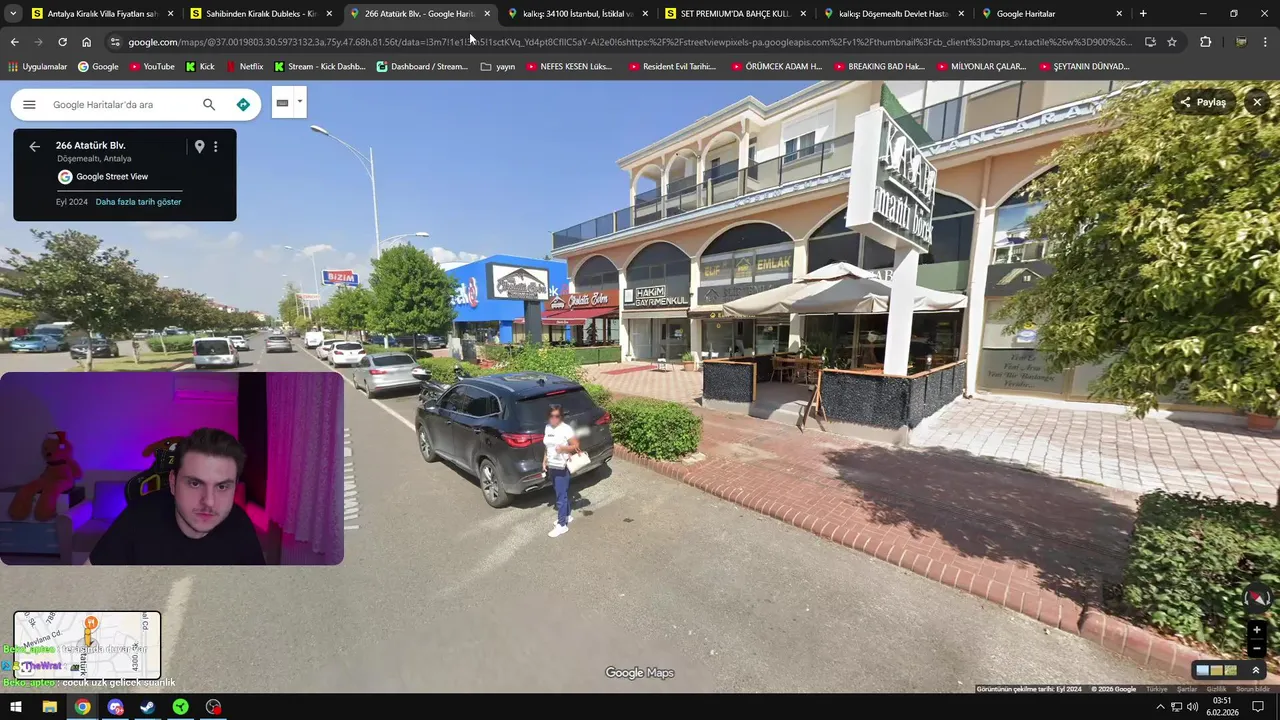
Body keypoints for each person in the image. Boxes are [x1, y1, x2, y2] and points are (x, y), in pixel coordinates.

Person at [89, 428, 266, 566]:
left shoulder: (239, 525)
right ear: (173, 483)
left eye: (222, 486)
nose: (209, 501)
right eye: (195, 483)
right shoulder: (139, 516)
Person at [542, 404, 579, 538]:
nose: (554, 418)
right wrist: (544, 460)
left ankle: (562, 525)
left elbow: (576, 445)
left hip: (562, 466)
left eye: (557, 416)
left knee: (560, 496)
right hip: (552, 465)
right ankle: (567, 515)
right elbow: (547, 447)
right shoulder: (547, 427)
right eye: (551, 416)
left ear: (561, 416)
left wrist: (563, 449)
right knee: (561, 492)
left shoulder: (566, 429)